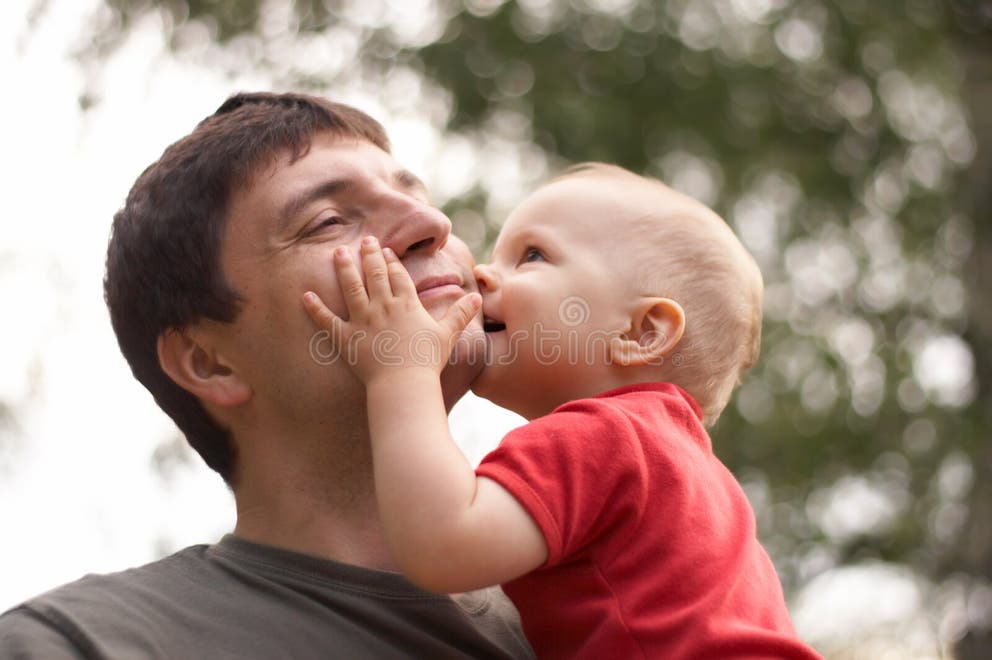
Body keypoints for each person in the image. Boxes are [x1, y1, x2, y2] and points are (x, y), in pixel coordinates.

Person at [0, 92, 533, 659]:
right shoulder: (84, 645)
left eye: (414, 193)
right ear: (212, 361)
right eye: (327, 221)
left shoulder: (597, 604)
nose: (432, 223)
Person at [302, 163, 823, 658]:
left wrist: (401, 373)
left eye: (532, 256)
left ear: (642, 334)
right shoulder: (687, 471)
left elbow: (443, 547)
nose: (482, 274)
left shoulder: (605, 435)